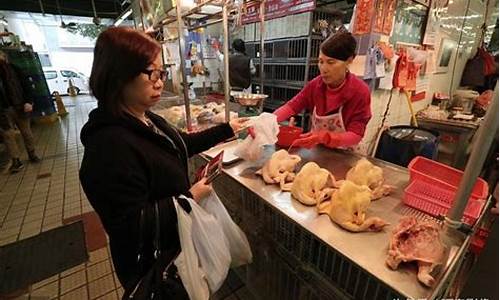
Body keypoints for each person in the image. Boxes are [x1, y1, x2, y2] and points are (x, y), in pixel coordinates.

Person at [79, 27, 248, 297]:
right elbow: (128, 226)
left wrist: (227, 129)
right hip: (154, 268)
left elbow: (182, 144)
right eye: (151, 73)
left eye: (162, 73)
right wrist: (188, 198)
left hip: (177, 247)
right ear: (119, 74)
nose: (160, 82)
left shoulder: (145, 118)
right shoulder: (109, 146)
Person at [274, 32, 371, 149]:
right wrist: (266, 121)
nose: (324, 69)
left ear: (349, 60)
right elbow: (291, 107)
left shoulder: (360, 92)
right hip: (317, 150)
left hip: (345, 154)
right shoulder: (315, 85)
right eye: (321, 62)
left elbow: (356, 134)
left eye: (331, 62)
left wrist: (325, 137)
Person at [0, 51, 40, 173]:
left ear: (5, 58)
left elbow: (27, 86)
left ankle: (32, 153)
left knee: (26, 132)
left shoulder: (16, 70)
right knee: (8, 135)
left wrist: (28, 101)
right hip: (3, 109)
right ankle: (16, 160)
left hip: (20, 105)